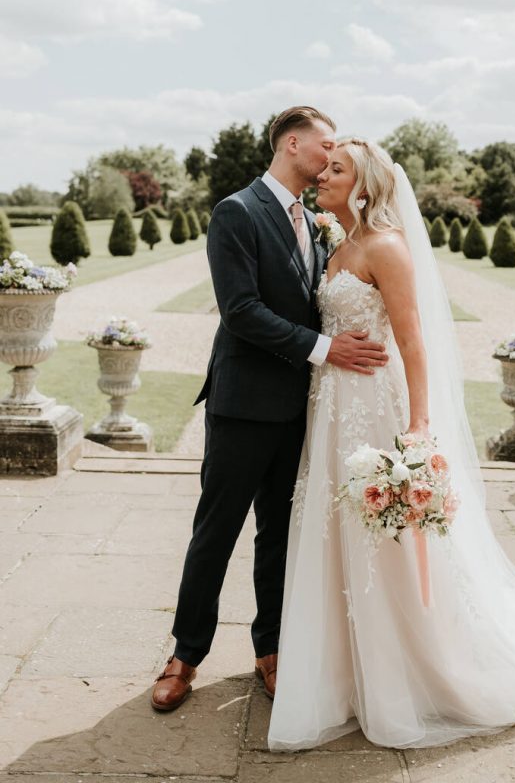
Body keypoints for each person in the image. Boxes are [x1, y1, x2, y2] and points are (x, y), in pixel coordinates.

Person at [268, 138, 515, 750]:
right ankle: (343, 669)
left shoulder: (387, 247)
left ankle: (414, 663)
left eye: (336, 169)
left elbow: (414, 342)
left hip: (375, 409)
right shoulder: (340, 244)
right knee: (338, 530)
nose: (322, 173)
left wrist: (419, 428)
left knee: (385, 537)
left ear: (365, 188)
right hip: (334, 408)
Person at [151, 109, 389, 712]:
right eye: (325, 145)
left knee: (281, 537)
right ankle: (185, 655)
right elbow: (240, 310)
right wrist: (327, 349)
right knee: (216, 533)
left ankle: (272, 650)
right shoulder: (236, 211)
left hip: (302, 410)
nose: (331, 157)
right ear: (292, 142)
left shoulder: (317, 222)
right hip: (241, 405)